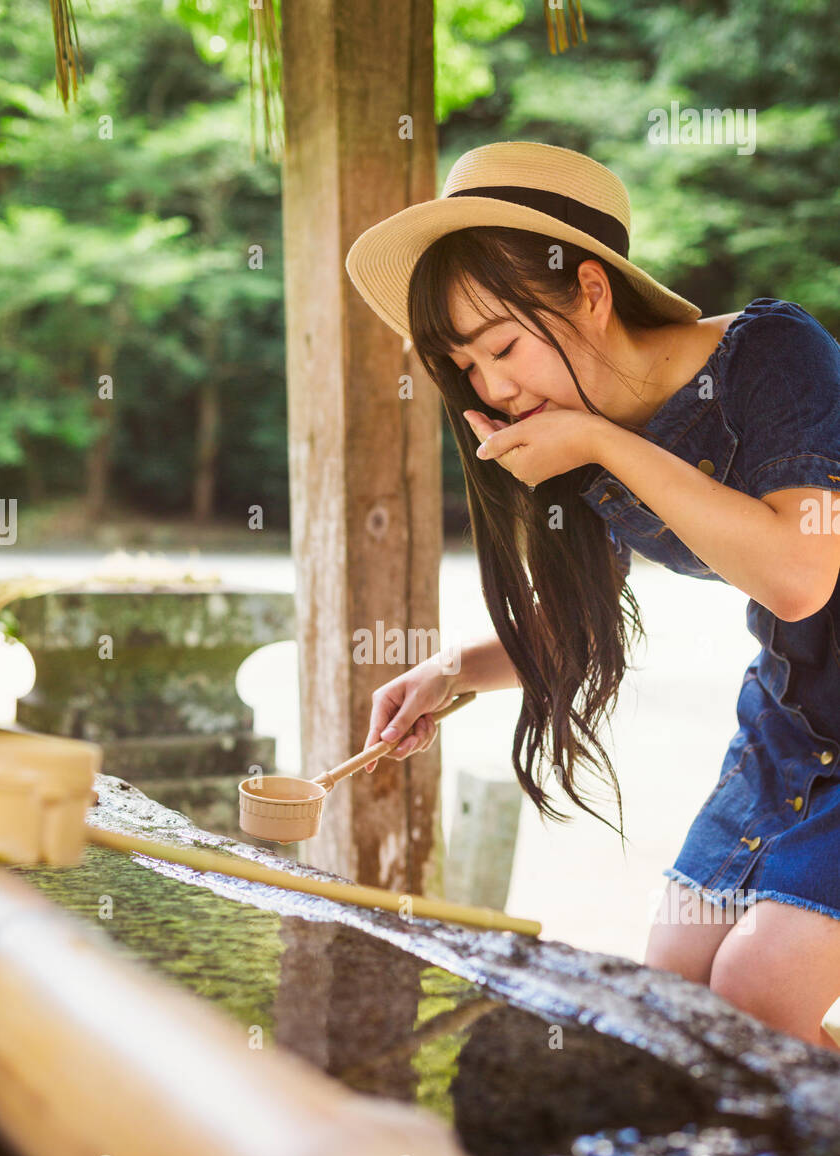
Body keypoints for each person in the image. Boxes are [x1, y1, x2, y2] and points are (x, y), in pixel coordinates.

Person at [344, 141, 840, 1051]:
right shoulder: (580, 430)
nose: (491, 387)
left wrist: (606, 448)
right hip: (791, 727)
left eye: (502, 345)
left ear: (592, 292)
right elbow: (576, 626)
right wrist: (453, 672)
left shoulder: (773, 356)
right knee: (674, 1007)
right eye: (465, 363)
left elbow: (801, 576)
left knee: (759, 994)